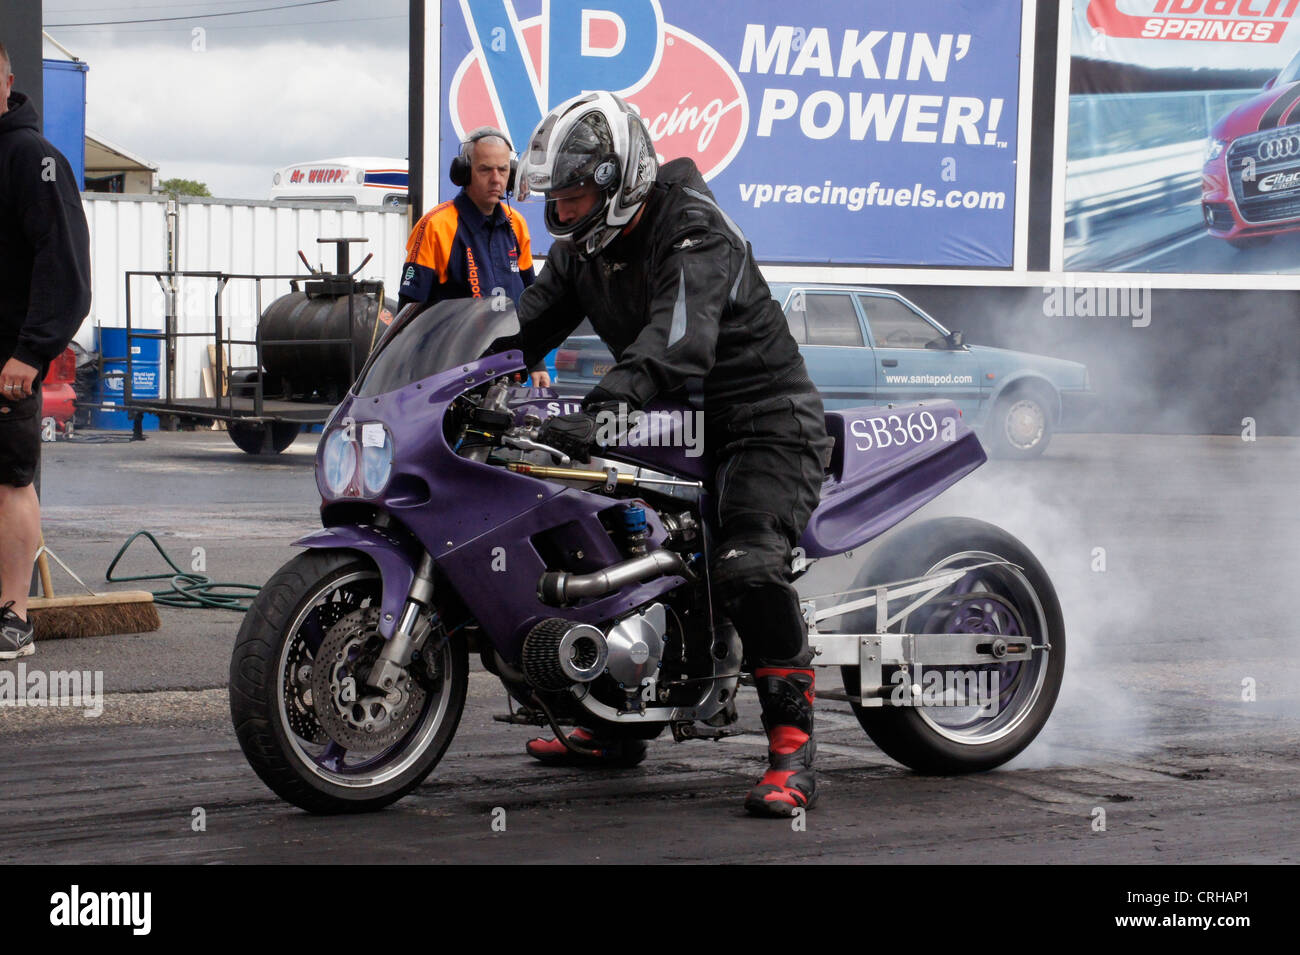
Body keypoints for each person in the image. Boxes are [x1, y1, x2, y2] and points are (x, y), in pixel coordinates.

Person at [488, 92, 833, 817]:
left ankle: (792, 747)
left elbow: (681, 339)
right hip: (672, 418)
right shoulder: (582, 246)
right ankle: (610, 721)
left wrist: (605, 410)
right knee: (582, 534)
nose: (565, 211)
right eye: (557, 199)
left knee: (747, 562)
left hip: (762, 414)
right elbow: (521, 326)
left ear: (623, 181)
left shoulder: (691, 227)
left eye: (578, 195)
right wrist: (449, 373)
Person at [0, 40, 92, 659]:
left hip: (6, 365)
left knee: (9, 484)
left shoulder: (34, 160)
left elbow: (66, 272)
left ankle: (13, 616)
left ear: (5, 82)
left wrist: (29, 355)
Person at [399, 126, 549, 386]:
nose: (496, 179)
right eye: (485, 169)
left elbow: (529, 301)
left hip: (506, 374)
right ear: (464, 173)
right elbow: (410, 310)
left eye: (503, 170)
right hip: (448, 376)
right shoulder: (436, 225)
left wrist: (537, 364)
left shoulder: (517, 225)